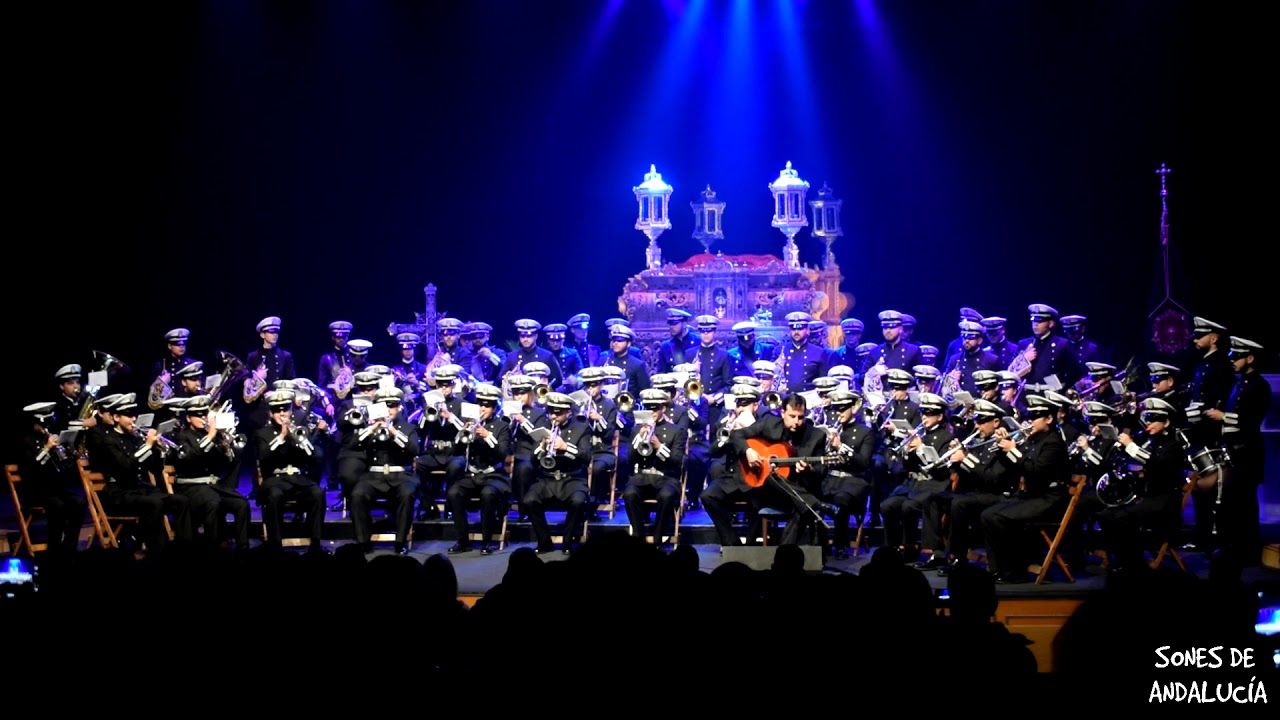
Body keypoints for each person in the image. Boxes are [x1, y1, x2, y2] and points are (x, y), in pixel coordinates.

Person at [979, 394, 1071, 583]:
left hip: (1049, 499)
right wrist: (1003, 449)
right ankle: (997, 569)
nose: (1031, 421)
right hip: (1031, 496)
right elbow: (1016, 466)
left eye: (1036, 416)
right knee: (987, 515)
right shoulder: (1034, 439)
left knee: (1000, 518)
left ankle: (1014, 572)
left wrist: (1014, 450)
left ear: (1049, 419)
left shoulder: (1053, 443)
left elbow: (1036, 472)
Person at [921, 399, 1016, 575]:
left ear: (996, 422)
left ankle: (958, 558)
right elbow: (965, 473)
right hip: (975, 492)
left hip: (996, 494)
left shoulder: (1002, 443)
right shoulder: (978, 440)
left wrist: (965, 459)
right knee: (933, 499)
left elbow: (992, 479)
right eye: (977, 421)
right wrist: (955, 460)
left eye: (982, 421)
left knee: (960, 504)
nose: (978, 426)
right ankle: (938, 552)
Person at [91, 393, 193, 554]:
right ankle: (157, 553)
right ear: (116, 417)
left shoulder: (135, 439)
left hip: (140, 490)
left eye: (133, 415)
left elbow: (155, 470)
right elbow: (125, 467)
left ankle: (183, 549)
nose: (133, 420)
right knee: (154, 504)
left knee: (181, 501)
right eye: (128, 415)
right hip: (119, 494)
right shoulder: (108, 441)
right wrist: (146, 446)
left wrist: (159, 451)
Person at [1096, 397, 1186, 571]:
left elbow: (1156, 465)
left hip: (1164, 501)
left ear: (1166, 422)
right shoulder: (1151, 442)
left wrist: (1131, 446)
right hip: (1147, 497)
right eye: (1148, 418)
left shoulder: (1173, 446)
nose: (1149, 423)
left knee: (1123, 518)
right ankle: (1122, 559)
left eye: (1154, 419)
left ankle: (1133, 563)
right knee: (1106, 514)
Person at [1204, 336, 1271, 565]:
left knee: (1246, 503)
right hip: (1234, 450)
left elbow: (1252, 420)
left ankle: (1249, 553)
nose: (1232, 360)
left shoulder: (1260, 386)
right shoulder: (1237, 384)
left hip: (1248, 451)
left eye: (1238, 356)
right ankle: (1232, 548)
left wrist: (1223, 416)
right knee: (1232, 502)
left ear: (1250, 358)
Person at [733, 393, 831, 546]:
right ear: (783, 413)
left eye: (800, 417)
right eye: (792, 416)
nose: (796, 422)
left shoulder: (816, 436)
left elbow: (821, 471)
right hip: (771, 493)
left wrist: (808, 470)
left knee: (801, 508)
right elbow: (737, 435)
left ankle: (784, 556)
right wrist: (748, 451)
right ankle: (815, 504)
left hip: (800, 492)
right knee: (772, 476)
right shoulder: (769, 424)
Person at [170, 395, 250, 549]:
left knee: (241, 503)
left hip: (213, 486)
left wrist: (226, 448)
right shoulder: (182, 437)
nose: (203, 418)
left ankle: (243, 548)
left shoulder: (212, 436)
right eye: (197, 415)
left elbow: (227, 464)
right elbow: (190, 459)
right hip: (190, 488)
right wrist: (210, 436)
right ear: (188, 418)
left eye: (204, 414)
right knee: (213, 502)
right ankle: (213, 548)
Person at [350, 386, 421, 554]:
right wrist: (371, 428)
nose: (389, 410)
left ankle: (400, 541)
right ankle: (363, 541)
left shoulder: (408, 428)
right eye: (384, 406)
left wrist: (393, 431)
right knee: (357, 494)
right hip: (374, 475)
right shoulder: (369, 427)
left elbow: (414, 450)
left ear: (399, 407)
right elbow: (353, 445)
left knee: (407, 493)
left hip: (400, 475)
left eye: (392, 406)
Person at [255, 390, 327, 552]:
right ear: (270, 413)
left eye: (285, 409)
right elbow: (263, 457)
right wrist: (281, 437)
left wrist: (301, 441)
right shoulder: (262, 434)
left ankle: (315, 542)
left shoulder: (299, 431)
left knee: (318, 493)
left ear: (290, 411)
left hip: (297, 479)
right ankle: (275, 543)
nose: (282, 414)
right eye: (277, 410)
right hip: (275, 479)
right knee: (275, 496)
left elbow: (313, 457)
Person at [520, 391, 592, 554]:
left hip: (572, 478)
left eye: (558, 413)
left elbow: (586, 457)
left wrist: (565, 447)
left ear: (569, 412)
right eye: (551, 412)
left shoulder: (581, 429)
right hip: (547, 479)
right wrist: (542, 447)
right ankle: (544, 541)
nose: (553, 416)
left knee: (578, 502)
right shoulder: (543, 428)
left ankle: (568, 542)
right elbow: (532, 460)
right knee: (529, 500)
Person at [446, 383, 512, 555]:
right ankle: (463, 540)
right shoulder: (470, 423)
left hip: (494, 475)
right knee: (454, 493)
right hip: (473, 474)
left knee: (488, 494)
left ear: (494, 407)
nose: (483, 408)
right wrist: (463, 434)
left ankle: (487, 541)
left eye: (487, 405)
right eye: (481, 404)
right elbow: (457, 451)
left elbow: (503, 453)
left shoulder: (502, 426)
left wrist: (487, 435)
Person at [17, 402, 86, 554]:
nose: (45, 427)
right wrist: (47, 449)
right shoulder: (26, 442)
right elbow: (32, 469)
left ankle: (70, 546)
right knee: (57, 505)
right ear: (34, 423)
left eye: (47, 423)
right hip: (35, 491)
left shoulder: (48, 438)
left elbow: (63, 470)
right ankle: (54, 549)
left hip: (54, 489)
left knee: (79, 503)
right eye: (42, 424)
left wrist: (70, 454)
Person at [621, 388, 686, 549]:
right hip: (641, 477)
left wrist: (658, 446)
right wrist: (639, 438)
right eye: (648, 408)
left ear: (663, 408)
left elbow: (677, 462)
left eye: (655, 408)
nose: (652, 412)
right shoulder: (637, 429)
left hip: (665, 478)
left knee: (666, 495)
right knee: (629, 494)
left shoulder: (676, 430)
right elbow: (629, 459)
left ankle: (658, 536)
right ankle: (638, 536)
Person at [701, 383, 762, 547]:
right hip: (733, 478)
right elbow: (713, 452)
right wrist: (726, 433)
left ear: (756, 405)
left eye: (745, 404)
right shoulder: (727, 423)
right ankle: (731, 541)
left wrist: (751, 428)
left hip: (756, 478)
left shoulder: (765, 422)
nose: (740, 408)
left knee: (762, 503)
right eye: (738, 404)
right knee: (708, 496)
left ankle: (750, 544)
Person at [819, 389, 876, 558]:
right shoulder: (832, 429)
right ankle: (820, 544)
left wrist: (841, 447)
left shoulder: (865, 432)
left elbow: (863, 463)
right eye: (836, 409)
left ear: (854, 408)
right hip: (831, 479)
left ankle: (840, 546)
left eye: (843, 409)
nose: (839, 413)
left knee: (840, 501)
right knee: (813, 497)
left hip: (854, 482)